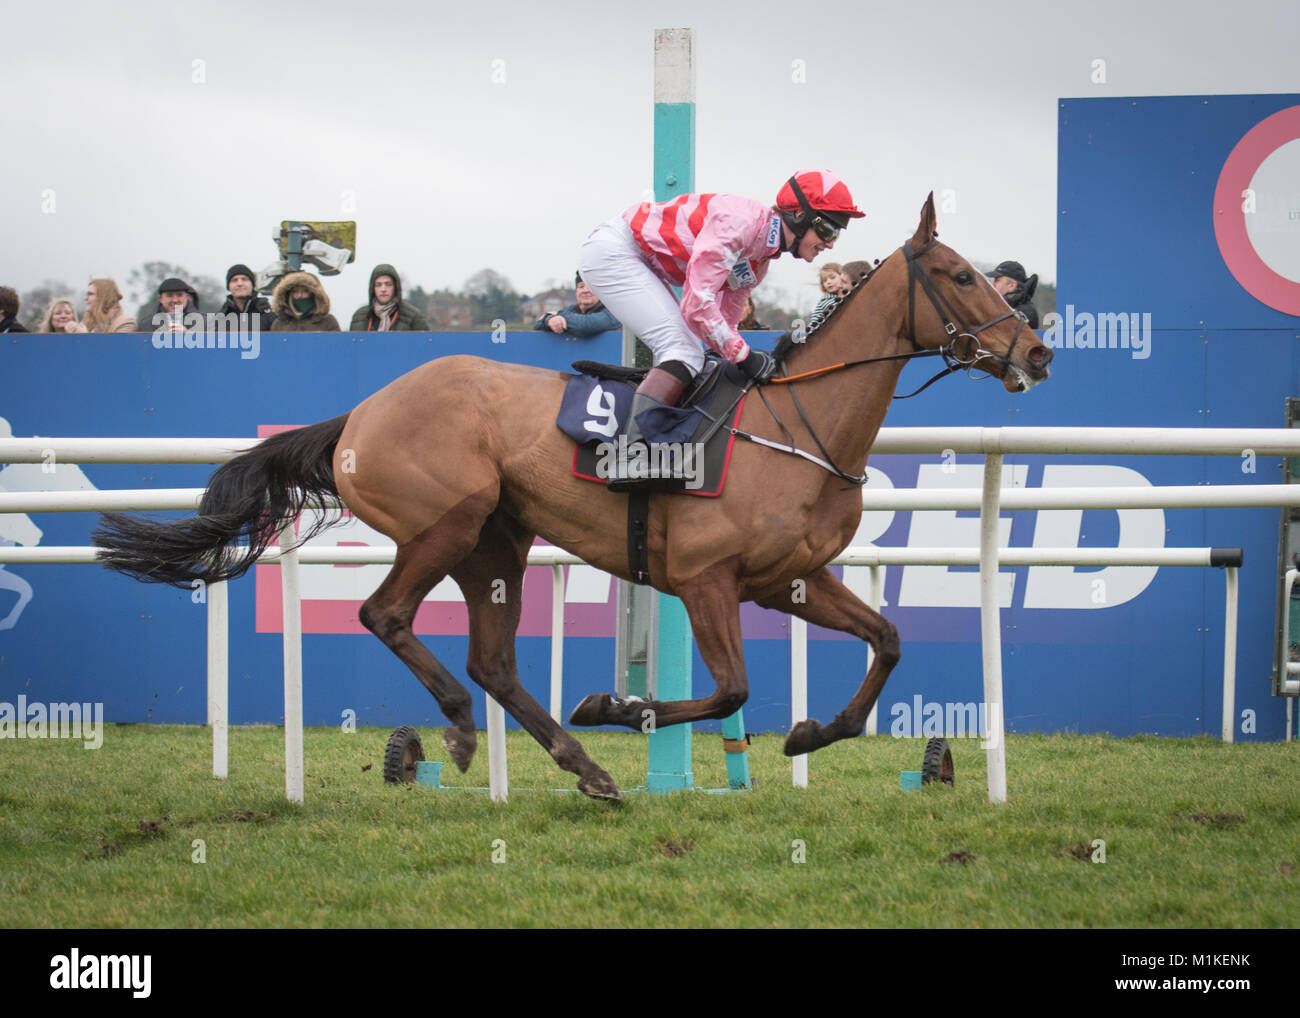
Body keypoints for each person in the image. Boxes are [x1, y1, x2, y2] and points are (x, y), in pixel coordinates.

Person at [577, 169, 864, 485]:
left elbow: (724, 323)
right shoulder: (738, 225)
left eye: (837, 233)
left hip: (637, 258)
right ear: (798, 215)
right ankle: (629, 456)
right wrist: (744, 356)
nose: (830, 244)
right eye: (827, 229)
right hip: (615, 251)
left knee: (695, 353)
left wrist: (733, 354)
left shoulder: (760, 260)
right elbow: (697, 305)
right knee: (682, 349)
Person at [534, 272, 620, 339]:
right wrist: (549, 319)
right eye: (581, 287)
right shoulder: (570, 310)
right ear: (576, 291)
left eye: (590, 286)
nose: (585, 291)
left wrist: (558, 317)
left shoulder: (613, 312)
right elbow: (538, 325)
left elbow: (585, 326)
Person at [349, 264, 429, 331]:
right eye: (378, 285)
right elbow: (352, 347)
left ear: (396, 287)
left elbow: (426, 346)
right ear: (373, 288)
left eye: (388, 284)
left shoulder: (414, 317)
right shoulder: (359, 316)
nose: (383, 289)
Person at [270, 271, 341, 332]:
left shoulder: (328, 321)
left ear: (314, 294)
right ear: (288, 295)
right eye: (295, 291)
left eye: (305, 291)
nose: (300, 295)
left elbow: (337, 346)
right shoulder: (279, 323)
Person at [216, 264, 274, 332]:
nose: (239, 283)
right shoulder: (219, 318)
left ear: (253, 285)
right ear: (228, 287)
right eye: (234, 280)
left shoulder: (271, 316)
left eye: (244, 279)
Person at [986, 260, 1040, 329]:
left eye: (997, 280)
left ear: (1011, 285)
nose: (993, 284)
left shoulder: (1025, 312)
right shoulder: (1004, 306)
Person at [809, 262, 852, 332]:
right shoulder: (827, 300)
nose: (828, 282)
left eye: (832, 278)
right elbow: (839, 311)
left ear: (842, 277)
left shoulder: (845, 294)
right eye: (824, 280)